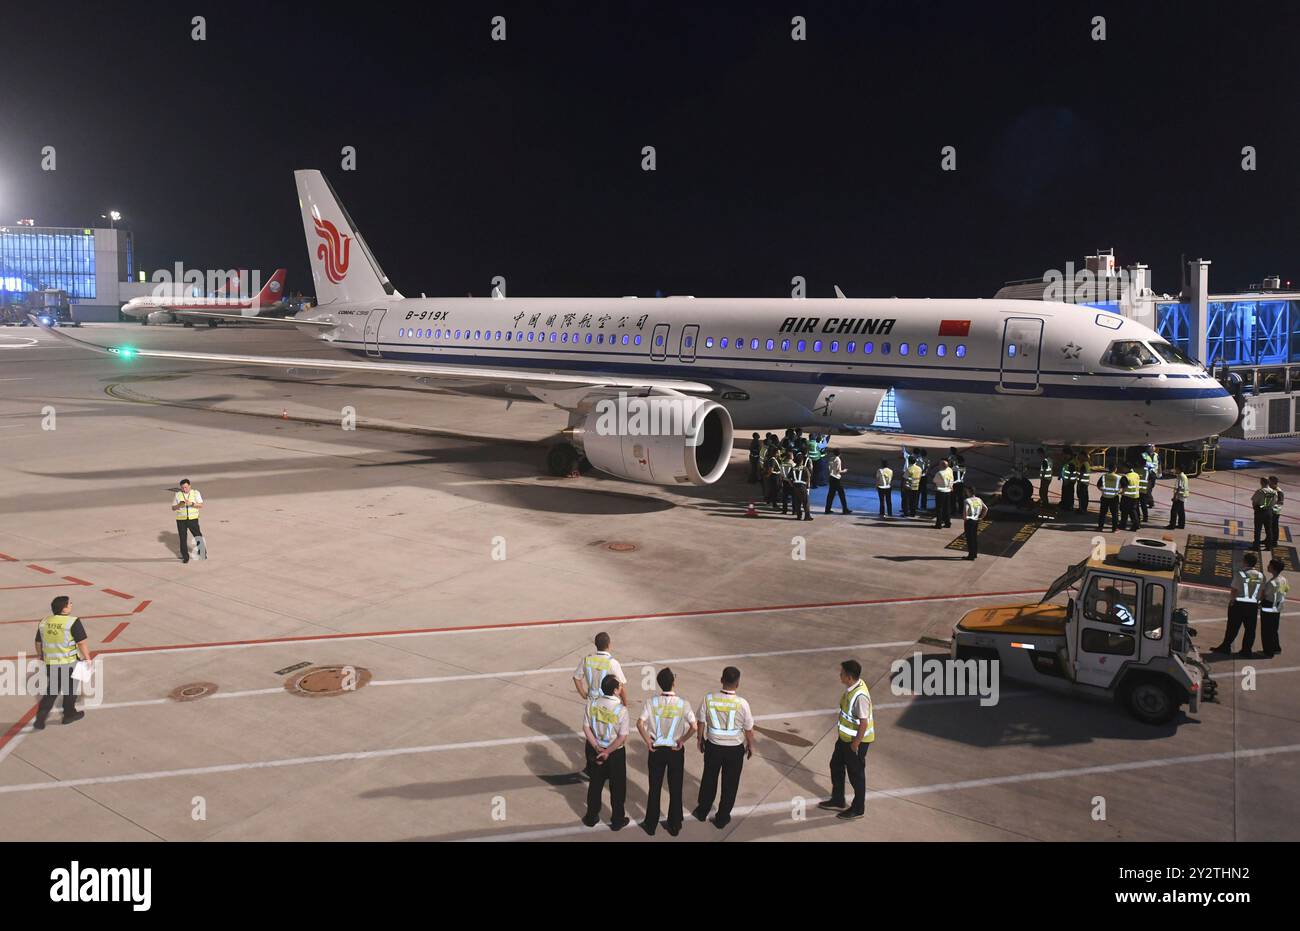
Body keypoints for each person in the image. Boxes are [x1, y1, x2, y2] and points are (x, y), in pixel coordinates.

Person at [692, 666, 755, 830]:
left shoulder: (709, 699)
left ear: (721, 680)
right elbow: (748, 729)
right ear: (738, 683)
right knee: (730, 784)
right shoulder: (742, 703)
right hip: (734, 749)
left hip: (713, 746)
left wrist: (700, 739)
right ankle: (722, 817)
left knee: (709, 779)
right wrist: (750, 745)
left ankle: (702, 811)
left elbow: (701, 721)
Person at [637, 667, 697, 836]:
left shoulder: (652, 702)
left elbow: (640, 723)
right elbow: (694, 726)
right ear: (673, 683)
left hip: (656, 748)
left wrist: (648, 740)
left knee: (654, 787)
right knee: (675, 787)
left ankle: (650, 824)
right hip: (675, 750)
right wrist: (682, 740)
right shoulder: (683, 704)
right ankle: (675, 824)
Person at [816, 659, 875, 821]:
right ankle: (838, 799)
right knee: (835, 764)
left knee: (856, 775)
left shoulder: (860, 696)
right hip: (845, 739)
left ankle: (858, 808)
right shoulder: (852, 688)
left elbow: (864, 722)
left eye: (841, 673)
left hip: (855, 742)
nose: (839, 675)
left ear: (849, 677)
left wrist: (855, 744)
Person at [33, 595, 90, 730]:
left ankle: (40, 718)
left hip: (51, 663)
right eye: (69, 603)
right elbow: (81, 642)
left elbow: (38, 642)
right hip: (69, 663)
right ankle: (69, 714)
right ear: (63, 608)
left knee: (52, 690)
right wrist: (87, 658)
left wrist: (40, 655)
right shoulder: (72, 622)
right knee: (70, 690)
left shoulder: (44, 622)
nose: (71, 605)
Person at [581, 674, 630, 830]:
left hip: (595, 749)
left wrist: (597, 748)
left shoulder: (592, 704)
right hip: (614, 753)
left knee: (595, 785)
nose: (621, 688)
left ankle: (591, 817)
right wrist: (608, 751)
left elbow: (586, 727)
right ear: (615, 690)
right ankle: (617, 820)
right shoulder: (621, 710)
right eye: (620, 686)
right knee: (617, 788)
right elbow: (622, 737)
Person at [1214, 551, 1264, 658]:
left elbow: (1234, 590)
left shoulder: (1241, 574)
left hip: (1239, 604)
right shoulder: (1260, 576)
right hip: (1253, 605)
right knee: (1250, 629)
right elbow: (1262, 591)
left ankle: (1225, 647)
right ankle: (1246, 650)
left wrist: (1232, 601)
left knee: (1232, 627)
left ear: (1245, 562)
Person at [573, 632, 627, 705]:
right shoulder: (613, 663)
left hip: (591, 702)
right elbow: (621, 687)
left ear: (596, 644)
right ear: (609, 645)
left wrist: (583, 694)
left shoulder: (587, 660)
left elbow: (576, 678)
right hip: (608, 703)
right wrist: (625, 704)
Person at [172, 479, 206, 563]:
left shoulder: (195, 493)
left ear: (190, 486)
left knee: (197, 535)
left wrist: (192, 504)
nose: (184, 489)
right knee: (182, 538)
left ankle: (202, 552)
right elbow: (173, 508)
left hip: (193, 519)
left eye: (186, 487)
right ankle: (185, 557)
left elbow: (201, 505)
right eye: (182, 488)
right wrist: (179, 505)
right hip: (181, 520)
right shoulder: (178, 494)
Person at [1260, 557, 1288, 658]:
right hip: (1278, 605)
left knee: (1266, 629)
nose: (1268, 566)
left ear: (1274, 568)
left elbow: (1264, 595)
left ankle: (1268, 651)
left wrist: (1260, 602)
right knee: (1274, 628)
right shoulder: (1283, 579)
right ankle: (1276, 648)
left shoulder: (1271, 583)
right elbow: (1286, 590)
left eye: (1269, 565)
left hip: (1268, 605)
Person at [824, 447, 851, 515]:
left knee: (831, 494)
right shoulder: (838, 460)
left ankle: (827, 509)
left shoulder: (831, 458)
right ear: (839, 454)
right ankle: (845, 509)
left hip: (831, 477)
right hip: (836, 478)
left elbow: (830, 467)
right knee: (841, 494)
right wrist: (844, 471)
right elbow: (838, 470)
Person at [962, 487, 986, 559]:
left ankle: (971, 555)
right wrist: (981, 517)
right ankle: (974, 553)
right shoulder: (979, 499)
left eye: (967, 491)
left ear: (969, 492)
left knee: (969, 538)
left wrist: (965, 518)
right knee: (974, 538)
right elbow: (986, 508)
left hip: (969, 521)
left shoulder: (967, 500)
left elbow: (965, 511)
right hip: (976, 520)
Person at [1096, 464, 1122, 532]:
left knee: (1102, 513)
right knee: (1114, 514)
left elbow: (1098, 485)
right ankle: (1114, 528)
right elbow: (1124, 486)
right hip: (1114, 497)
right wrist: (1119, 492)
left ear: (1108, 469)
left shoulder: (1104, 476)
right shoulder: (1119, 477)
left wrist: (1103, 490)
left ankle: (1100, 527)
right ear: (1115, 469)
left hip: (1104, 497)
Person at [1252, 478, 1276, 550]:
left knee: (1258, 529)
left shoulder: (1260, 491)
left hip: (1260, 511)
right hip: (1269, 511)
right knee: (1268, 529)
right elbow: (1274, 502)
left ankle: (1256, 546)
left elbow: (1254, 502)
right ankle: (1269, 546)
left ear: (1262, 482)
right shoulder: (1273, 492)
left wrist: (1256, 508)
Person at [790, 451, 813, 521]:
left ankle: (798, 516)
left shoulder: (793, 468)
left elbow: (788, 477)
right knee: (805, 502)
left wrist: (792, 484)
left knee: (797, 502)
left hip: (795, 486)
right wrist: (808, 487)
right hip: (803, 486)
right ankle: (807, 516)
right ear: (802, 461)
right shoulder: (805, 468)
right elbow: (808, 478)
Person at [933, 458, 954, 529]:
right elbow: (952, 479)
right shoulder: (950, 470)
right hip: (948, 491)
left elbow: (935, 481)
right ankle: (948, 522)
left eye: (939, 464)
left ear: (942, 465)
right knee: (947, 508)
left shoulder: (939, 473)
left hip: (941, 492)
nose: (938, 465)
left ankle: (938, 524)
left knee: (939, 508)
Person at [1121, 462, 1143, 531]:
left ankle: (1123, 525)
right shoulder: (1136, 475)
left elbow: (1124, 487)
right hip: (1135, 496)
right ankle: (1136, 524)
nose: (1122, 469)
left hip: (1127, 496)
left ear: (1127, 468)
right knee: (1133, 512)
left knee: (1124, 511)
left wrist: (1121, 493)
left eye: (1123, 468)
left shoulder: (1126, 477)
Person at [1268, 476, 1284, 550]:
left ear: (1273, 482)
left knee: (1274, 526)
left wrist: (1272, 503)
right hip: (1270, 510)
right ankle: (1267, 539)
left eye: (1269, 481)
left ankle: (1274, 541)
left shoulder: (1278, 491)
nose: (1268, 483)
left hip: (1275, 511)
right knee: (1269, 526)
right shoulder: (1271, 489)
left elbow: (1281, 502)